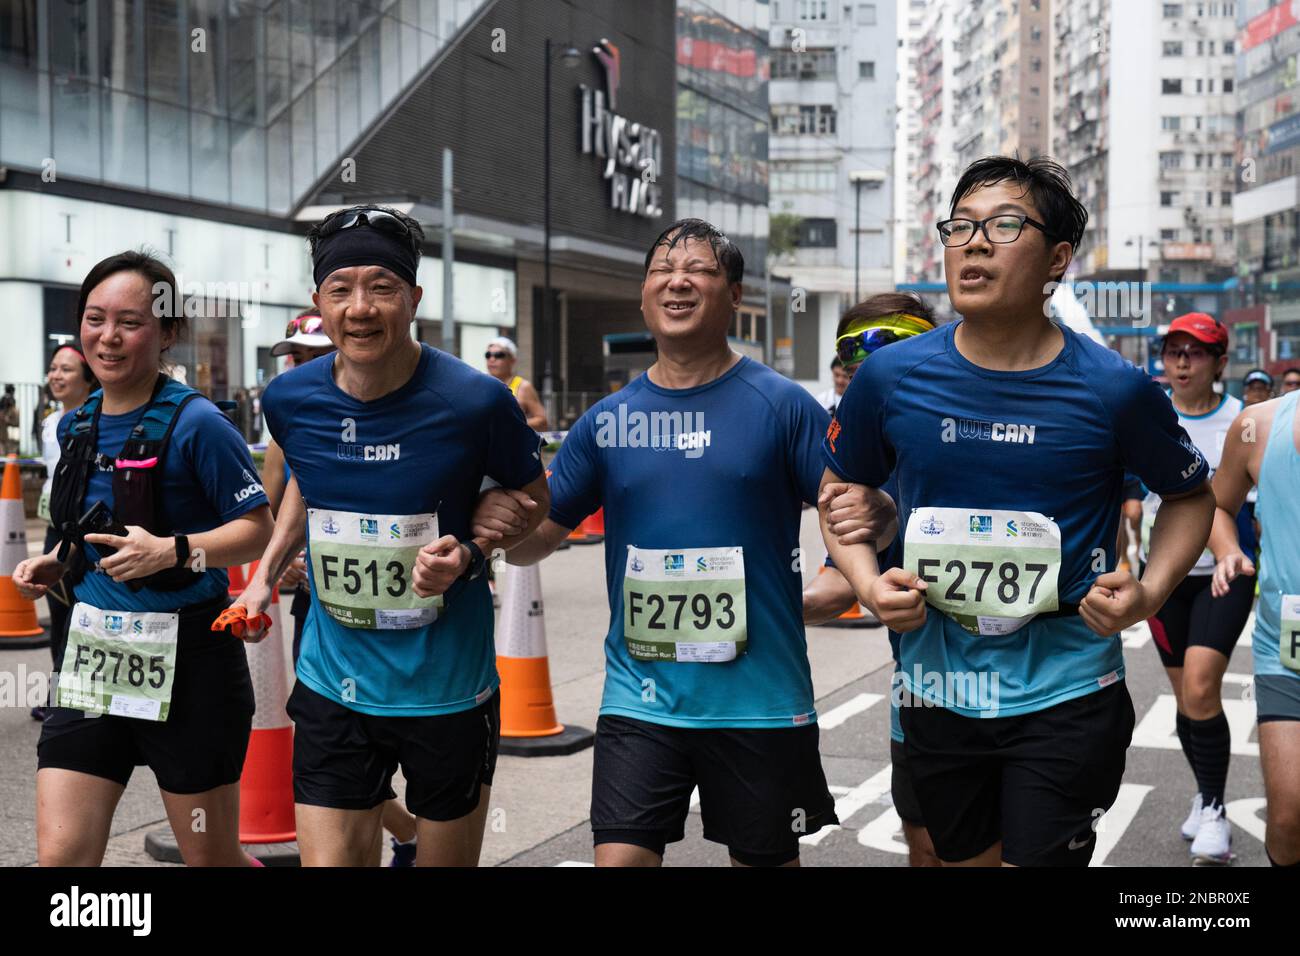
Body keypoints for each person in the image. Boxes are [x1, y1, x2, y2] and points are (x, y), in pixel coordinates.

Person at [821, 155, 1216, 867]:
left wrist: (1150, 591)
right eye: (960, 226)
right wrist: (867, 583)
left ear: (1057, 259)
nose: (973, 243)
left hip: (1067, 687)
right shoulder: (890, 378)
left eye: (1004, 226)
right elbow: (840, 494)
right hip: (939, 688)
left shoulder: (1115, 390)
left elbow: (1191, 495)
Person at [471, 218, 891, 867]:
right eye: (662, 270)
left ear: (734, 295)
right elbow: (537, 541)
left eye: (697, 269)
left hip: (761, 704)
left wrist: (879, 521)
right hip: (640, 702)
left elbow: (850, 512)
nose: (676, 280)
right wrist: (502, 528)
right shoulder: (607, 422)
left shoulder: (782, 407)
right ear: (644, 297)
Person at [229, 204, 551, 867]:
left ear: (414, 298)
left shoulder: (474, 401)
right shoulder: (291, 400)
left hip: (447, 689)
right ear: (318, 302)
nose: (361, 307)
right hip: (333, 682)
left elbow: (535, 508)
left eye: (382, 287)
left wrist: (474, 548)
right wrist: (265, 575)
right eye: (341, 289)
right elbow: (309, 483)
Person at [14, 251, 274, 866]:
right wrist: (57, 560)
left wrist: (175, 550)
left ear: (167, 333)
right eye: (95, 319)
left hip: (191, 662)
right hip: (98, 656)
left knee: (211, 858)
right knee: (62, 860)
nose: (108, 337)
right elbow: (82, 526)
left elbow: (259, 529)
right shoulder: (74, 426)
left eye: (129, 321)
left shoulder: (199, 424)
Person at [802, 291, 941, 868]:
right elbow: (838, 586)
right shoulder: (857, 457)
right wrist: (742, 603)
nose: (870, 373)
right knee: (926, 846)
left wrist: (895, 514)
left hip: (1043, 690)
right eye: (854, 363)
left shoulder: (987, 420)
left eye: (891, 350)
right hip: (926, 688)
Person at [1138, 313, 1257, 863]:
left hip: (1223, 576)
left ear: (1220, 363)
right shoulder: (1147, 413)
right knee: (1188, 697)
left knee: (1204, 687)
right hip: (1162, 579)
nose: (1183, 362)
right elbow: (1127, 496)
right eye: (1174, 351)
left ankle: (1213, 811)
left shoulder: (1243, 421)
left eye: (1197, 352)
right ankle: (1206, 794)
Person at [1209, 391, 1300, 867]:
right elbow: (1217, 505)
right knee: (1288, 816)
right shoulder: (1258, 425)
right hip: (1287, 650)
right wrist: (1229, 551)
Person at [30, 346, 98, 722]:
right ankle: (60, 692)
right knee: (58, 609)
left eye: (66, 369)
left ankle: (86, 691)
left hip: (86, 527)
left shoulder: (99, 417)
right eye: (53, 368)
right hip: (55, 528)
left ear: (87, 377)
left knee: (85, 609)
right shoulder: (48, 422)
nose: (56, 375)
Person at [485, 336, 548, 431]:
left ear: (512, 360)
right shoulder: (482, 384)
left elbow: (542, 422)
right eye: (488, 355)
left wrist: (513, 423)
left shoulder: (523, 386)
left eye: (499, 355)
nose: (492, 359)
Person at [1, 383, 20, 456]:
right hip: (7, 422)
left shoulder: (4, 398)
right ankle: (8, 454)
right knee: (8, 440)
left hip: (7, 422)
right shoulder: (10, 399)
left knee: (5, 440)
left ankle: (7, 454)